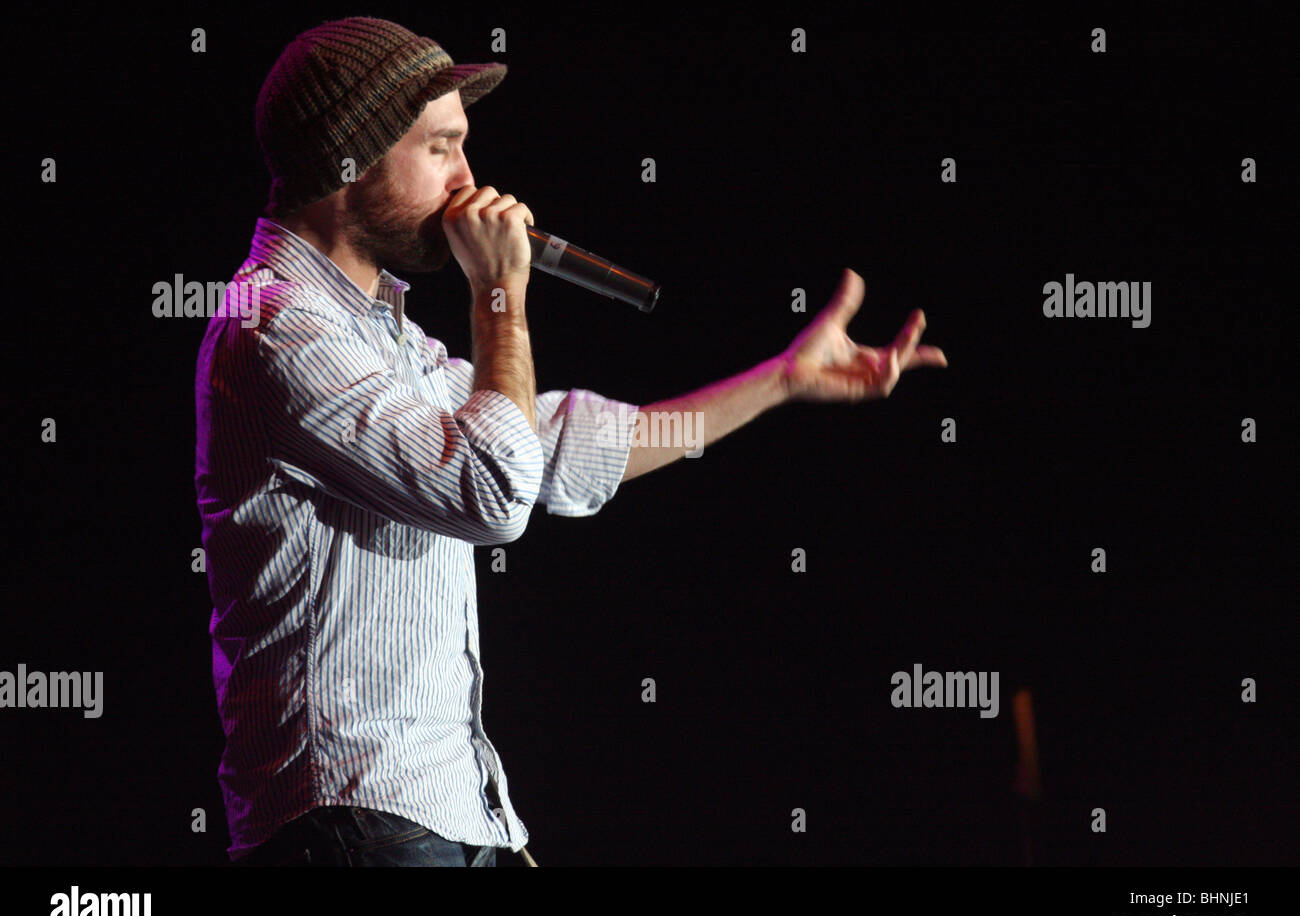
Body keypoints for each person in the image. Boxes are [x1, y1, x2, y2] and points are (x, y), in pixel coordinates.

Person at [194, 16, 948, 868]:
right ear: (347, 157)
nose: (469, 181)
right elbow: (491, 493)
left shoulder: (377, 331)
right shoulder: (277, 328)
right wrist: (500, 293)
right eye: (441, 148)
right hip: (355, 823)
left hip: (438, 814)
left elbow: (546, 445)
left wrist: (780, 380)